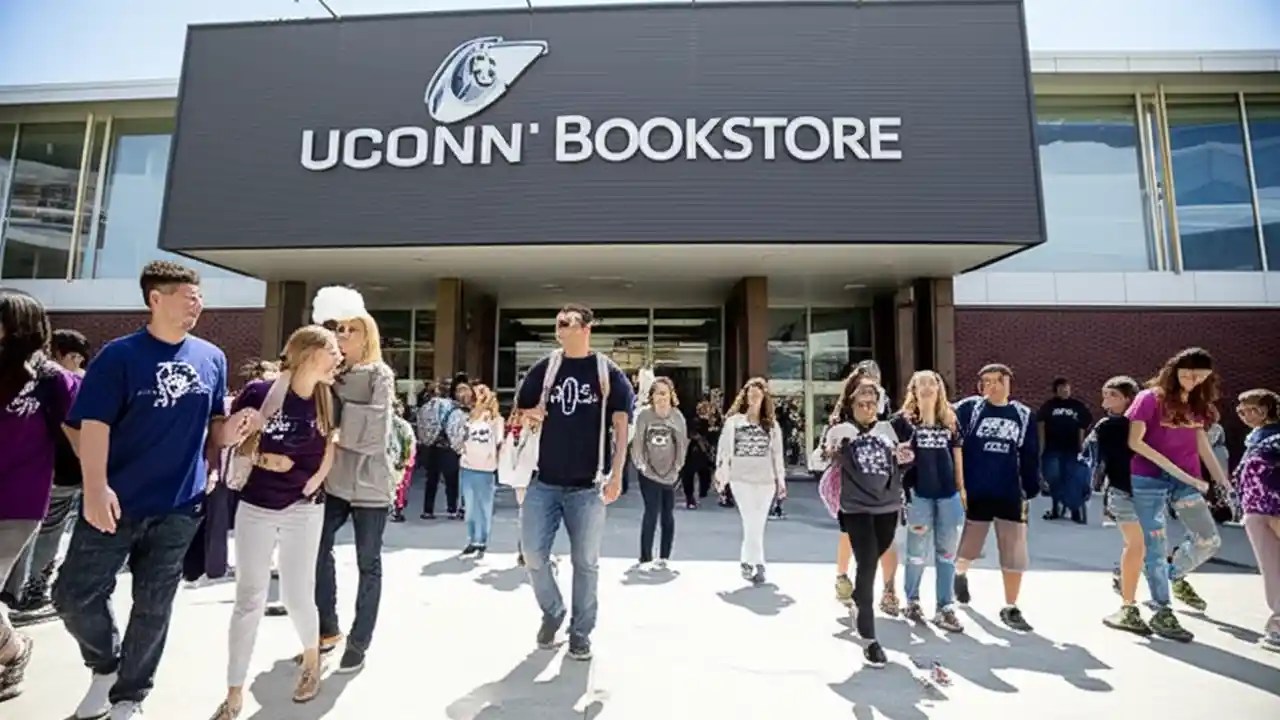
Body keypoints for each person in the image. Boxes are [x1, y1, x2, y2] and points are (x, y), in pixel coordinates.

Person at [54, 261, 251, 720]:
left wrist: (232, 431)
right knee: (72, 595)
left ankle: (129, 697)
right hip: (116, 502)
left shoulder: (212, 357)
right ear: (155, 299)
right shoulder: (119, 357)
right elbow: (93, 426)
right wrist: (97, 487)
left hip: (181, 506)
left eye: (199, 297)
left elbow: (213, 429)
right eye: (186, 296)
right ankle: (105, 666)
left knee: (154, 606)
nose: (196, 304)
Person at [210, 326, 341, 719]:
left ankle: (312, 663)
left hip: (305, 507)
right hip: (257, 505)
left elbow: (330, 446)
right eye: (332, 350)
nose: (338, 357)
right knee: (249, 599)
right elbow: (236, 443)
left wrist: (315, 480)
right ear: (309, 354)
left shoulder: (326, 398)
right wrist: (269, 461)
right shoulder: (259, 393)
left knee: (299, 594)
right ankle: (234, 691)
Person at [516, 304, 632, 662]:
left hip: (588, 486)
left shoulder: (606, 372)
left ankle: (580, 634)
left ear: (586, 328)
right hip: (544, 481)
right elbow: (519, 409)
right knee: (533, 554)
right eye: (557, 324)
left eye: (566, 324)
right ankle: (553, 611)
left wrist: (617, 474)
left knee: (586, 563)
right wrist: (529, 413)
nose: (559, 330)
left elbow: (621, 427)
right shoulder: (546, 368)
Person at [311, 286, 398, 674]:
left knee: (369, 563)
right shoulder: (329, 372)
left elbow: (378, 427)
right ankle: (328, 628)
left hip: (373, 484)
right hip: (335, 481)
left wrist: (338, 427)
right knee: (316, 548)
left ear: (368, 336)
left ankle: (359, 641)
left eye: (353, 330)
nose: (344, 335)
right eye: (340, 329)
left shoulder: (381, 373)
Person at [0, 291, 80, 702]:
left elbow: (83, 436)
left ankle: (13, 650)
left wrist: (102, 485)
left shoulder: (51, 380)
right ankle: (10, 648)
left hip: (19, 502)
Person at [1125, 347, 1229, 641]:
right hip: (1149, 480)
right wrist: (1181, 474)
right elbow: (1136, 442)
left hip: (1187, 483)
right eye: (1186, 374)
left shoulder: (1197, 402)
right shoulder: (1149, 398)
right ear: (1173, 370)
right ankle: (1161, 609)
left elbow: (1201, 444)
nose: (1192, 380)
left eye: (1199, 376)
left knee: (1208, 540)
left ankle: (1171, 573)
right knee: (1155, 546)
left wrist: (1224, 482)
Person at [5, 329, 89, 627]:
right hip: (56, 475)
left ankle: (22, 592)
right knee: (44, 535)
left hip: (52, 475)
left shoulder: (54, 380)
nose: (77, 362)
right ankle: (29, 592)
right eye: (74, 356)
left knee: (39, 534)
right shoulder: (58, 380)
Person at [826, 382, 912, 667]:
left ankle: (859, 597)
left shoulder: (886, 430)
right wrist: (831, 452)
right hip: (856, 507)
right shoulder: (840, 431)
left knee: (877, 553)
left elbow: (898, 461)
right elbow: (817, 460)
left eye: (872, 403)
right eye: (861, 403)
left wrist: (905, 458)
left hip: (887, 505)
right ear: (851, 406)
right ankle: (869, 638)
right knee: (867, 564)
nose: (867, 408)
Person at [952, 363, 1039, 632]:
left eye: (997, 380)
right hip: (977, 491)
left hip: (1010, 492)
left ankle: (1011, 606)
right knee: (970, 546)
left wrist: (1030, 487)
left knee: (1014, 551)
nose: (991, 386)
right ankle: (960, 574)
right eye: (986, 381)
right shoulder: (970, 409)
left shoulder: (1022, 415)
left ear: (1008, 383)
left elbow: (1030, 453)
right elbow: (952, 438)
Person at [891, 370, 965, 634]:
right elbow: (893, 454)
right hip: (919, 496)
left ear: (939, 388)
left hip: (948, 496)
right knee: (916, 554)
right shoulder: (903, 422)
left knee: (947, 555)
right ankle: (912, 601)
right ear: (913, 389)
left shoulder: (950, 421)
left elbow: (957, 457)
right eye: (920, 383)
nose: (926, 387)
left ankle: (945, 607)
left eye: (931, 382)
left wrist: (962, 490)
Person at [1080, 376, 1154, 636]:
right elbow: (1095, 459)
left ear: (1128, 399)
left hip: (1148, 492)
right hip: (1122, 492)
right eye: (1105, 395)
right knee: (1136, 544)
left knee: (1144, 546)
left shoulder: (1142, 424)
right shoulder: (1107, 425)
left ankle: (1125, 577)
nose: (1105, 401)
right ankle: (1128, 603)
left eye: (1112, 395)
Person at [831, 361, 901, 616]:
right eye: (865, 379)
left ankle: (889, 590)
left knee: (887, 538)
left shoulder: (884, 407)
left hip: (881, 483)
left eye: (875, 379)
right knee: (849, 534)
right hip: (853, 487)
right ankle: (842, 576)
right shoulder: (844, 420)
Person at [716, 377, 786, 586]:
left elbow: (777, 454)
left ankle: (748, 561)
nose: (754, 399)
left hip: (765, 481)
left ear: (764, 398)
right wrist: (721, 477)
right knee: (750, 521)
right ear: (745, 397)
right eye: (751, 395)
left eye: (758, 395)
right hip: (741, 479)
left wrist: (780, 480)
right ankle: (759, 563)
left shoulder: (772, 426)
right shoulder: (734, 422)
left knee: (758, 522)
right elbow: (724, 451)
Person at [1233, 388, 1280, 648]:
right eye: (1240, 411)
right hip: (1255, 510)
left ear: (1264, 410)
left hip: (1271, 508)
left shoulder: (1272, 438)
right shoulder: (1254, 438)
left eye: (1249, 410)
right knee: (1271, 567)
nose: (1244, 415)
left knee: (1273, 567)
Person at [631, 377, 689, 569]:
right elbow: (638, 443)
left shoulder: (677, 417)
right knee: (651, 512)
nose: (661, 397)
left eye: (664, 393)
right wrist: (642, 466)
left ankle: (664, 555)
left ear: (671, 395)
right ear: (652, 396)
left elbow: (682, 445)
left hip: (670, 473)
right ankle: (645, 556)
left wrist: (677, 468)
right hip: (648, 472)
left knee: (667, 514)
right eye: (657, 393)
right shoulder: (644, 416)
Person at [1038, 378, 1093, 523]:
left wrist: (1081, 446)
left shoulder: (1077, 406)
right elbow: (1041, 426)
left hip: (1071, 449)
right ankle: (1057, 507)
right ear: (1056, 390)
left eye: (1067, 388)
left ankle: (1075, 509)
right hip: (1052, 448)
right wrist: (1041, 449)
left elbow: (1083, 425)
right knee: (1054, 478)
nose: (1065, 391)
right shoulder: (1048, 406)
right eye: (1062, 388)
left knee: (1071, 479)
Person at [459, 384, 503, 559]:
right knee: (470, 506)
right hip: (468, 466)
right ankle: (472, 539)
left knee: (484, 506)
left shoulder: (496, 420)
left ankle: (481, 540)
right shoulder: (470, 418)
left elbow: (499, 442)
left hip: (486, 468)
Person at [418, 378, 464, 520]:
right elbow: (455, 428)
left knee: (431, 479)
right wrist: (458, 447)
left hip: (431, 447)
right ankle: (452, 508)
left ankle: (428, 509)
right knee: (451, 480)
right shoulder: (453, 408)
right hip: (447, 447)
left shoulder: (425, 408)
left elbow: (421, 427)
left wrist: (427, 440)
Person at [681, 393, 719, 509]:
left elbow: (716, 432)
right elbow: (687, 431)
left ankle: (703, 492)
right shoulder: (691, 418)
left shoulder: (714, 417)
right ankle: (690, 498)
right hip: (692, 449)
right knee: (688, 473)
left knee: (705, 473)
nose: (704, 408)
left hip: (706, 450)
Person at [389, 398, 417, 523]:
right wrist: (407, 458)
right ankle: (397, 509)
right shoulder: (404, 425)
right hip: (401, 458)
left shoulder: (383, 423)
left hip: (387, 457)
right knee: (401, 485)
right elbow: (409, 442)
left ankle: (389, 507)